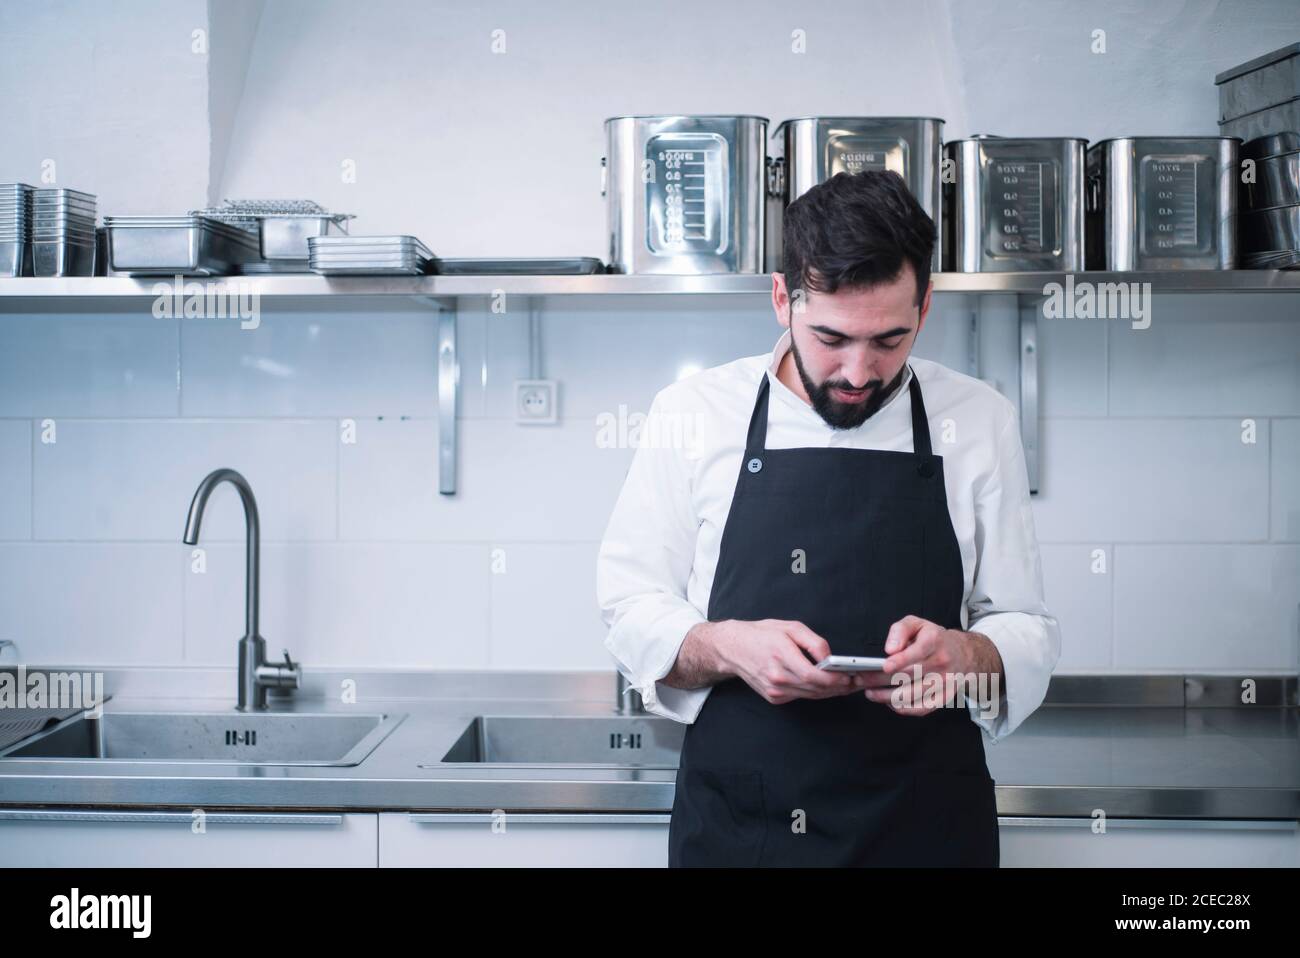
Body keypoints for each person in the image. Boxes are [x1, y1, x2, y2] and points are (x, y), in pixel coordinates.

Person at [596, 170, 1061, 867]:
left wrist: (963, 657)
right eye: (831, 337)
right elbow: (630, 606)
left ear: (926, 306)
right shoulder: (692, 413)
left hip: (927, 825)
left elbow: (1025, 626)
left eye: (888, 341)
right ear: (783, 298)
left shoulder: (978, 419)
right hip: (744, 828)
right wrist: (728, 647)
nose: (857, 371)